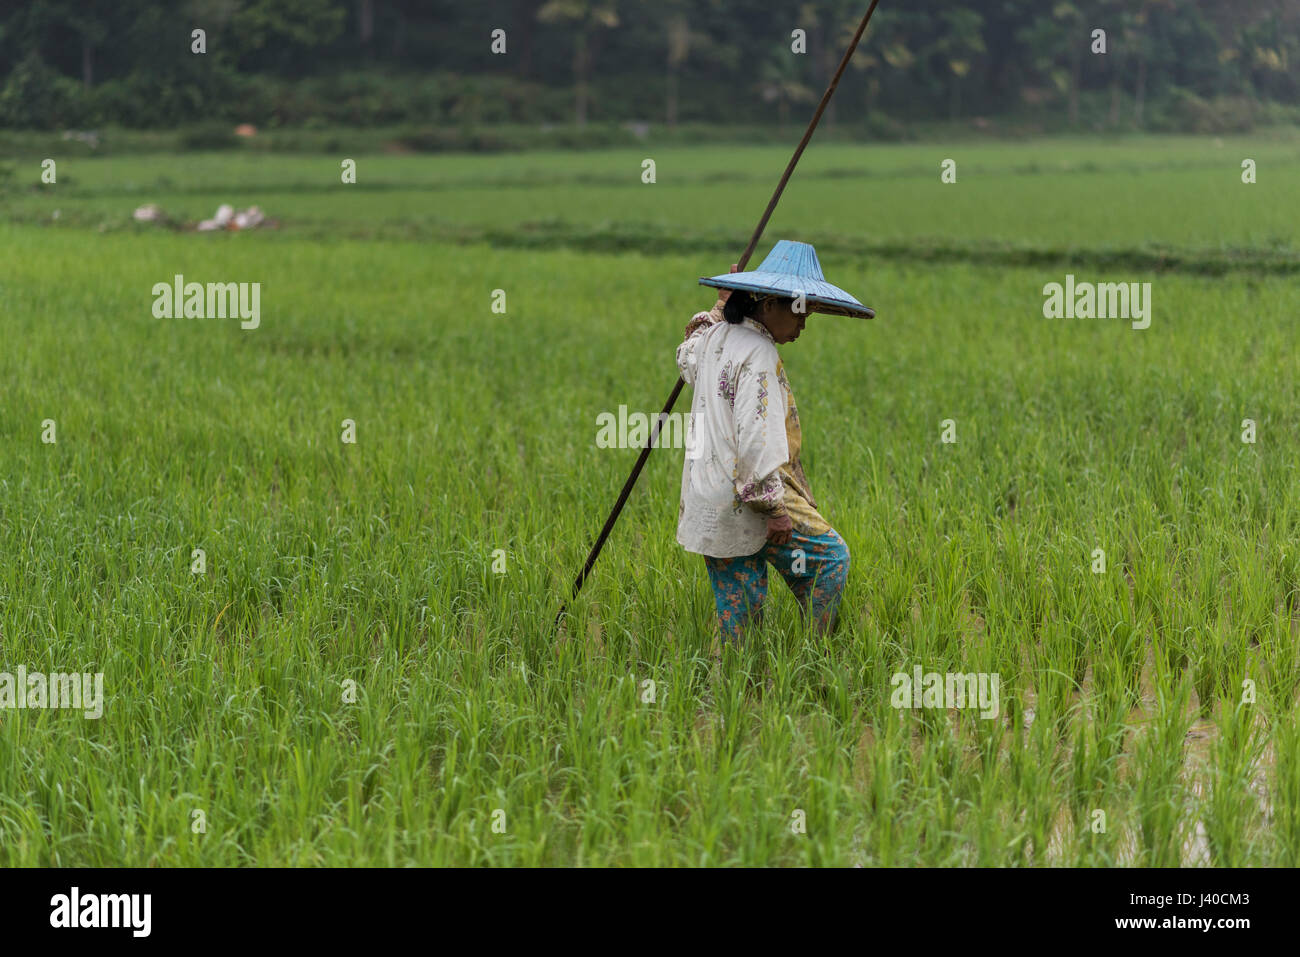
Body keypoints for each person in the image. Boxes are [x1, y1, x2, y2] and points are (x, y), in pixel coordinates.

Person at [675, 239, 873, 646]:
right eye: (799, 312)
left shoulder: (717, 340)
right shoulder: (759, 353)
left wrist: (720, 307)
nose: (802, 325)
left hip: (710, 502)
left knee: (740, 615)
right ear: (766, 305)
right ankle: (816, 653)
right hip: (751, 496)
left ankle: (739, 690)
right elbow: (754, 441)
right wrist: (774, 509)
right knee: (831, 560)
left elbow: (686, 351)